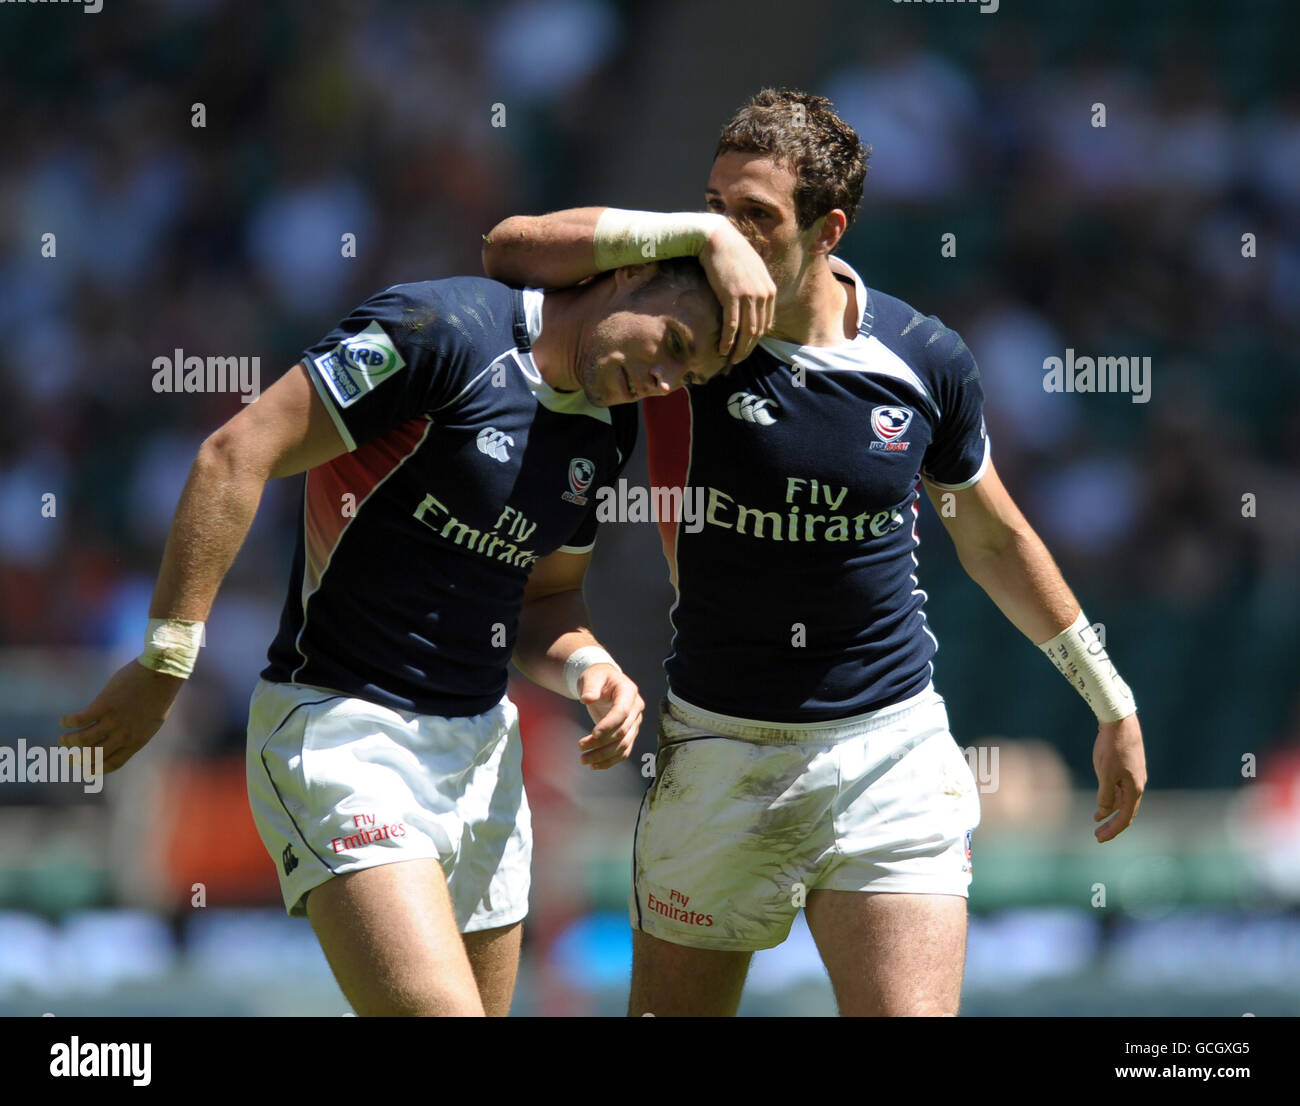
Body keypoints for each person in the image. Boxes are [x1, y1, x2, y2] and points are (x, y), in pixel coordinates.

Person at [482, 88, 1147, 1017]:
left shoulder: (923, 357)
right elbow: (510, 249)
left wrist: (1108, 696)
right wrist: (695, 237)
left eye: (756, 217)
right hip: (719, 746)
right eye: (716, 208)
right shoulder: (678, 312)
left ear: (827, 230)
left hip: (889, 748)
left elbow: (992, 535)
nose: (728, 236)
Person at [59, 259, 729, 1016]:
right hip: (344, 734)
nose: (668, 378)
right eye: (671, 341)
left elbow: (544, 597)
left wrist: (588, 663)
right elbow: (236, 454)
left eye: (691, 371)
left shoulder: (612, 422)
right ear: (625, 278)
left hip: (483, 760)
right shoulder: (438, 331)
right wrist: (166, 663)